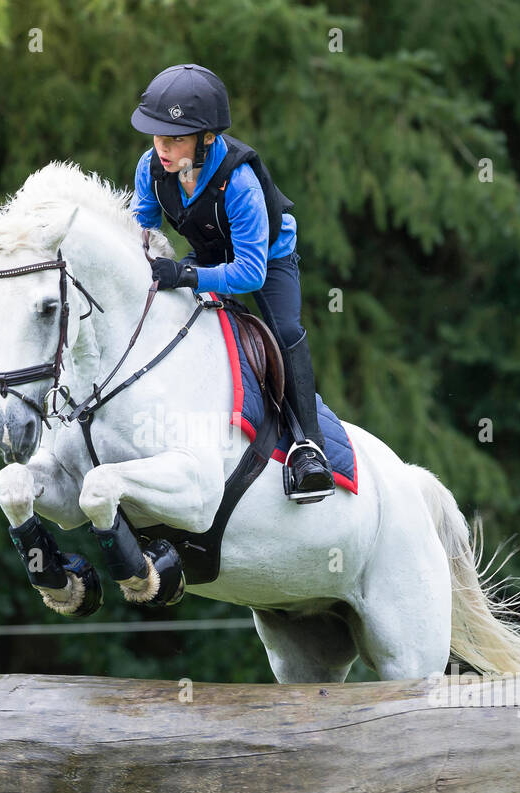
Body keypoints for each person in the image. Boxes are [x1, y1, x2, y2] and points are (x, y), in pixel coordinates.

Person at [129, 63, 334, 499]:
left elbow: (249, 272)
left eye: (175, 138)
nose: (162, 148)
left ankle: (308, 449)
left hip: (265, 260)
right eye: (157, 135)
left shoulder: (239, 182)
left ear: (207, 138)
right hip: (207, 254)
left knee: (286, 330)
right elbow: (140, 231)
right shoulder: (151, 168)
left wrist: (185, 273)